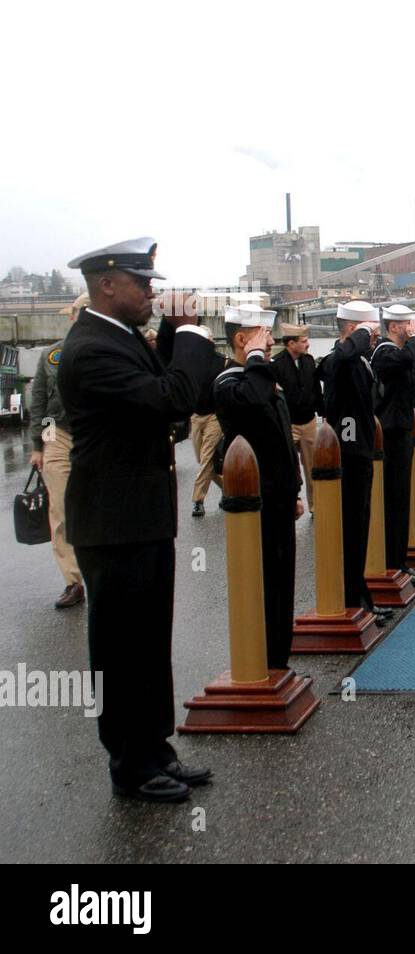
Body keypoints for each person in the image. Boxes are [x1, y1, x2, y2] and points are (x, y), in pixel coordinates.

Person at [59, 237, 218, 802]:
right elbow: (170, 397)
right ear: (106, 285)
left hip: (141, 518)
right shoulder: (91, 349)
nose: (152, 292)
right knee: (121, 649)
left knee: (149, 642)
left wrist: (176, 330)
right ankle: (128, 764)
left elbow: (163, 376)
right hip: (113, 521)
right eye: (142, 283)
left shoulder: (119, 338)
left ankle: (155, 749)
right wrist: (194, 331)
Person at [213, 305, 305, 669]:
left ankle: (278, 658)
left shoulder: (259, 377)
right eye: (261, 336)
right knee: (262, 582)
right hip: (255, 501)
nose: (270, 343)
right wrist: (254, 357)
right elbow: (251, 402)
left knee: (282, 582)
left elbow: (282, 438)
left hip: (279, 494)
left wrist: (295, 490)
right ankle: (260, 660)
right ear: (240, 339)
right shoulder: (229, 382)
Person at [318, 300, 391, 623]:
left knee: (360, 526)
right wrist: (361, 334)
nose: (374, 338)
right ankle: (351, 597)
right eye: (370, 332)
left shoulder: (358, 360)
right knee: (350, 528)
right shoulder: (341, 359)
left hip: (360, 450)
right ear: (352, 330)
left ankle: (360, 595)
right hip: (347, 453)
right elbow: (340, 358)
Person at [29, 293, 87, 608]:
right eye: (81, 313)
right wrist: (39, 445)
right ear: (72, 317)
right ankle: (73, 581)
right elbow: (38, 400)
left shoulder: (109, 352)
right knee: (61, 512)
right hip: (57, 432)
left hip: (95, 437)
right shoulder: (52, 355)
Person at [372, 304, 415, 584]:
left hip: (402, 428)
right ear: (394, 326)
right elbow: (406, 361)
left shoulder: (400, 352)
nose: (413, 327)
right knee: (393, 498)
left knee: (402, 498)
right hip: (391, 433)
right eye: (408, 324)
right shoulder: (384, 352)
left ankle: (400, 560)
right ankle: (391, 561)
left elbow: (413, 366)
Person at [271, 322, 324, 514]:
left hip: (308, 421)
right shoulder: (276, 365)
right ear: (290, 343)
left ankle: (314, 506)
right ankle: (290, 503)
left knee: (312, 469)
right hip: (288, 424)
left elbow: (316, 390)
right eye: (304, 341)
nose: (308, 344)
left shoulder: (309, 361)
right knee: (287, 467)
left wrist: (322, 412)